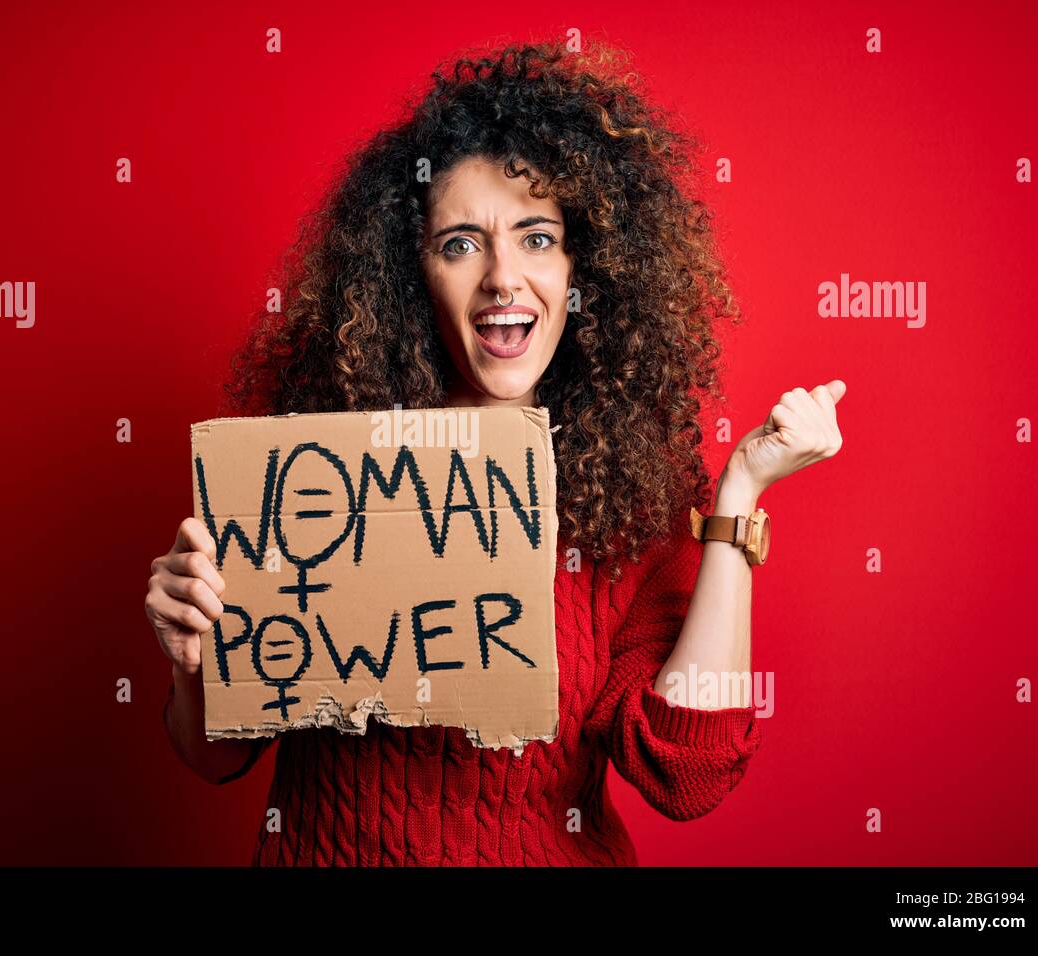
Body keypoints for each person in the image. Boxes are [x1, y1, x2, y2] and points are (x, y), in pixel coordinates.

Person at [146, 39, 844, 865]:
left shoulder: (629, 496)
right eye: (461, 244)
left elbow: (683, 776)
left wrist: (738, 501)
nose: (504, 277)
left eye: (538, 238)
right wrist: (195, 658)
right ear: (412, 278)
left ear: (589, 265)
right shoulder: (315, 475)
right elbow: (214, 756)